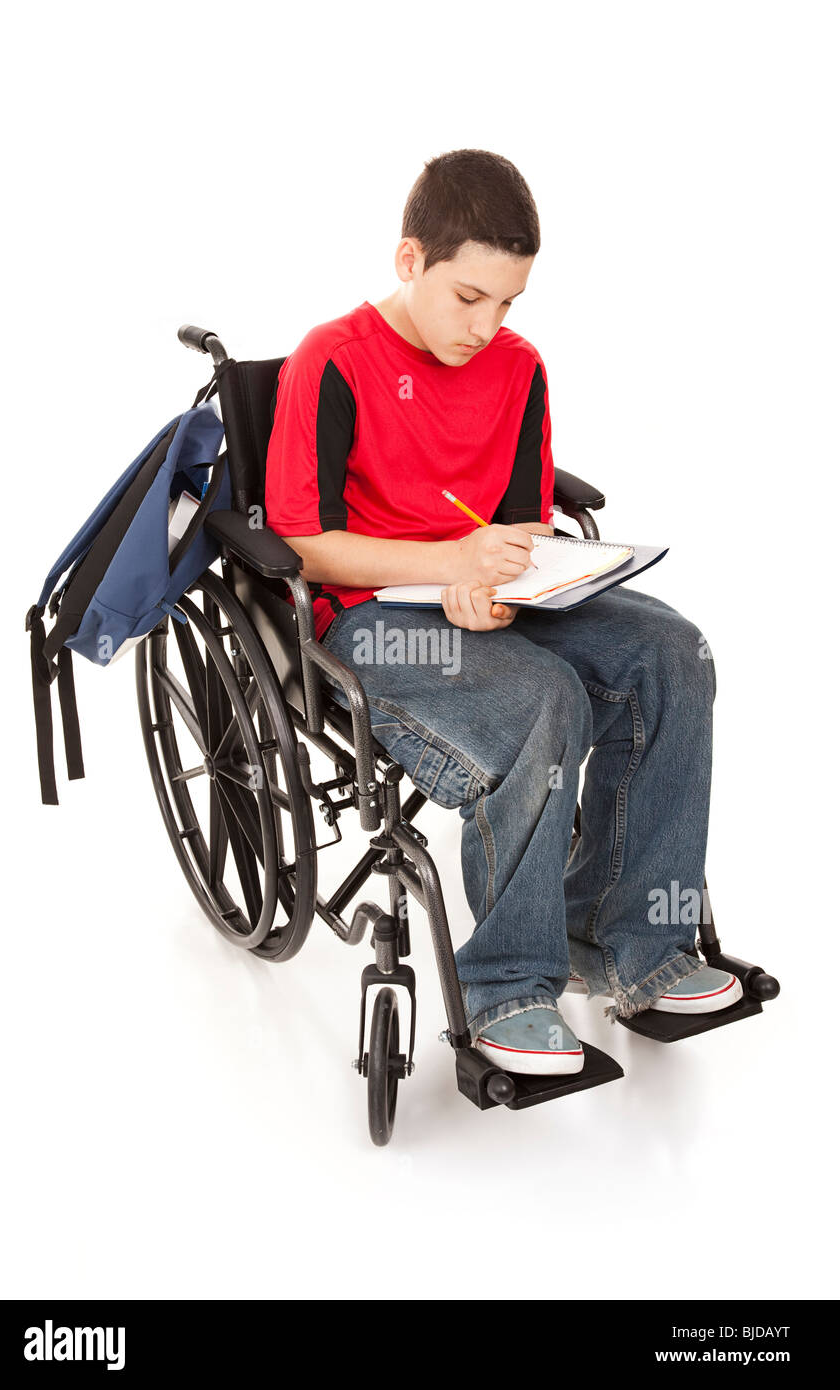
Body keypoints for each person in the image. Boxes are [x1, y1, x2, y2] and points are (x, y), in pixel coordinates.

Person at [263, 148, 741, 1077]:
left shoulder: (519, 367)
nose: (487, 325)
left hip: (489, 591)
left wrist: (513, 578)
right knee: (543, 697)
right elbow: (306, 542)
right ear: (411, 261)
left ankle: (633, 939)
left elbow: (520, 514)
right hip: (378, 616)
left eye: (509, 303)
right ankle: (509, 989)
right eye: (467, 298)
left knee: (676, 653)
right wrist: (448, 572)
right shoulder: (333, 360)